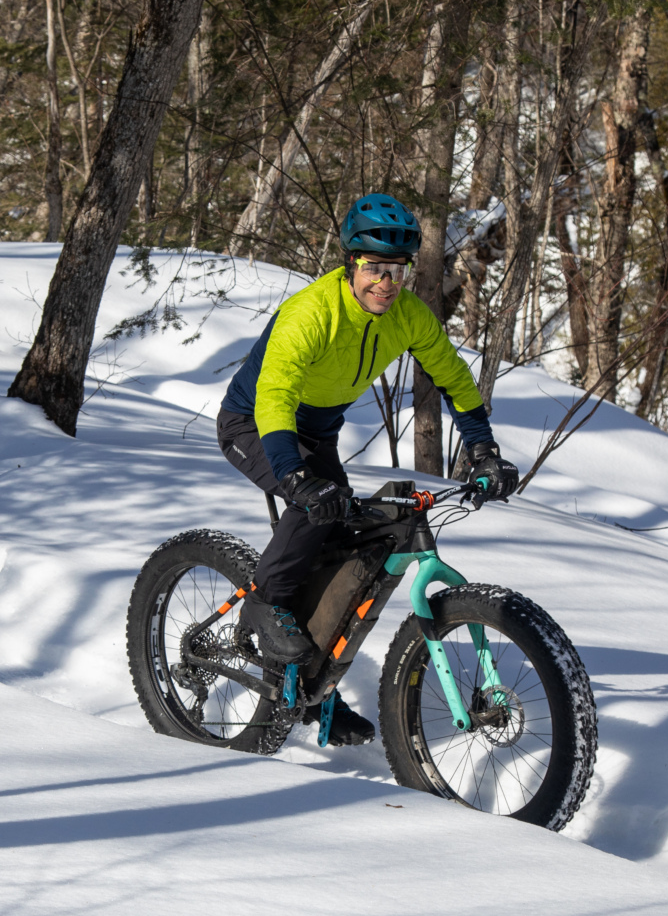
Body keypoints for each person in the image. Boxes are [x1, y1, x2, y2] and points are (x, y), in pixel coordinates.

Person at [216, 191, 519, 744]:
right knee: (312, 509)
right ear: (350, 263)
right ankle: (264, 603)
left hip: (316, 434)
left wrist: (482, 449)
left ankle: (314, 693)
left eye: (397, 270)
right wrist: (295, 477)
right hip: (253, 425)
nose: (386, 282)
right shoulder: (311, 313)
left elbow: (453, 378)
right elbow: (274, 398)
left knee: (349, 549)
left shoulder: (408, 317)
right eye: (374, 267)